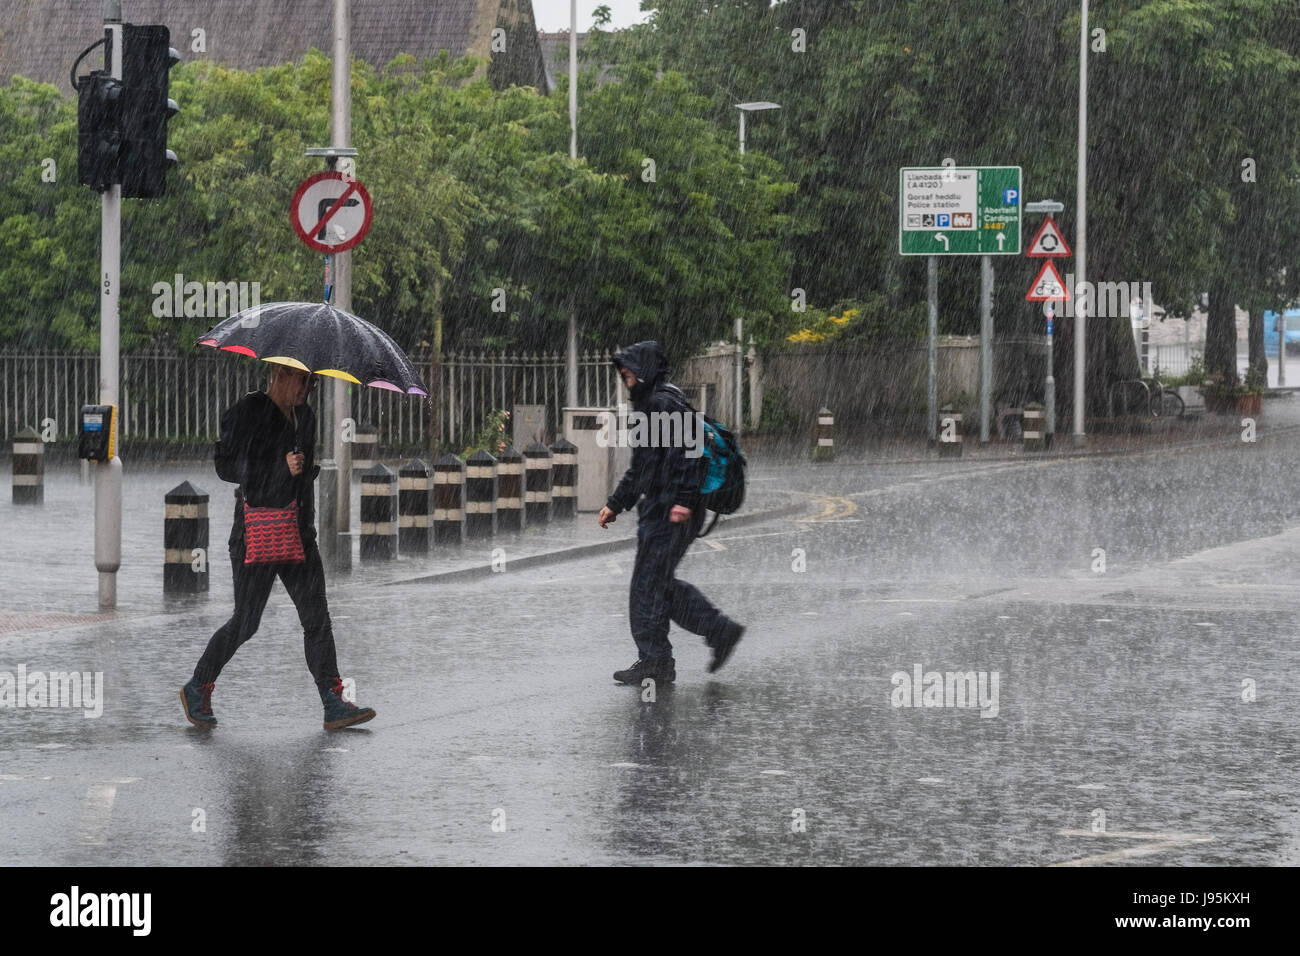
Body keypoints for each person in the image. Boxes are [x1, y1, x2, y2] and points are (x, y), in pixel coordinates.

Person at [180, 364, 376, 730]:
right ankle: (198, 686)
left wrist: (302, 478)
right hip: (256, 533)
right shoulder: (249, 411)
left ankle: (333, 701)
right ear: (279, 374)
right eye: (304, 380)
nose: (309, 387)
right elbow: (226, 467)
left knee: (317, 617)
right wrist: (277, 466)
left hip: (298, 532)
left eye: (314, 381)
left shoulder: (307, 417)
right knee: (246, 622)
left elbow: (302, 475)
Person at [597, 341, 745, 684]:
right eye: (623, 371)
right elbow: (643, 467)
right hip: (663, 507)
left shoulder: (662, 403)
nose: (625, 375)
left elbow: (690, 453)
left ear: (646, 368)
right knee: (657, 586)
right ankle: (717, 632)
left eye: (629, 369)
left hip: (671, 510)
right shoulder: (655, 402)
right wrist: (615, 504)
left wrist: (683, 500)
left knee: (647, 586)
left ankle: (657, 660)